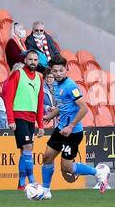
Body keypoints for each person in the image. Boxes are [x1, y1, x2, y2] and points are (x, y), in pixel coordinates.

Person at [40, 57, 110, 194]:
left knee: (67, 168)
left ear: (66, 69)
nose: (58, 73)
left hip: (72, 132)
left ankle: (98, 172)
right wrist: (50, 115)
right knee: (47, 157)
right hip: (61, 128)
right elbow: (64, 105)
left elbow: (83, 108)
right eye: (55, 71)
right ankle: (45, 191)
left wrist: (71, 126)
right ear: (51, 71)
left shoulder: (70, 86)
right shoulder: (55, 84)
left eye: (61, 70)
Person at [0, 51, 47, 190]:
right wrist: (10, 119)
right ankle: (32, 181)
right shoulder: (18, 74)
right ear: (25, 60)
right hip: (19, 116)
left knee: (26, 149)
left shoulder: (39, 78)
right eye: (30, 59)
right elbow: (8, 98)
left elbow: (39, 103)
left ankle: (21, 183)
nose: (33, 62)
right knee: (27, 147)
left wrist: (41, 125)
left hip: (31, 118)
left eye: (35, 59)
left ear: (38, 62)